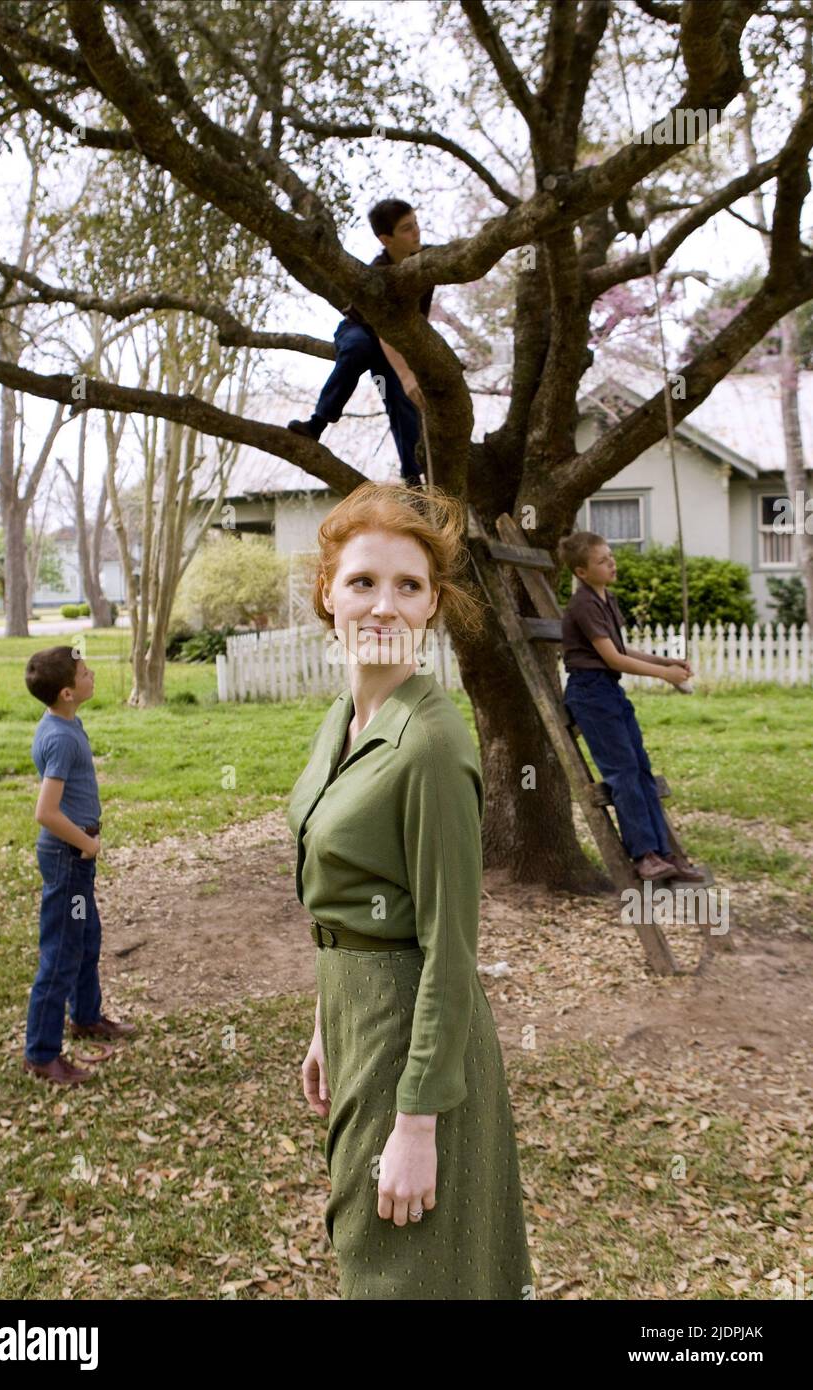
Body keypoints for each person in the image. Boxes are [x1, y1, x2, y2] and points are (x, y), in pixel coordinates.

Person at [287, 481, 534, 1300]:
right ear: (329, 593)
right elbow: (350, 903)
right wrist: (328, 1024)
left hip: (412, 1040)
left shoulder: (428, 744)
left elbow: (450, 948)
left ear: (433, 606)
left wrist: (419, 1123)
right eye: (363, 582)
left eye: (409, 586)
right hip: (357, 1020)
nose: (383, 605)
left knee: (402, 1272)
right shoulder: (345, 721)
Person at [559, 532, 707, 884]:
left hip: (609, 691)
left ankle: (665, 853)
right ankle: (644, 856)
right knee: (623, 773)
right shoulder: (582, 604)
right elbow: (612, 658)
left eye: (611, 556)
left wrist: (663, 660)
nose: (612, 564)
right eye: (602, 561)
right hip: (590, 693)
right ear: (581, 571)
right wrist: (665, 676)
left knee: (641, 770)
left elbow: (623, 650)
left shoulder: (606, 598)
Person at [23, 646, 136, 1086]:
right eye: (86, 673)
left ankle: (86, 1016)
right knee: (62, 952)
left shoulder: (66, 721)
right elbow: (46, 812)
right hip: (69, 858)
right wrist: (87, 843)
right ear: (68, 692)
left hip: (75, 857)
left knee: (86, 937)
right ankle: (41, 1054)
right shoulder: (61, 738)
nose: (93, 675)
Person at [287, 199, 431, 488]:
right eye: (406, 229)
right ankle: (318, 422)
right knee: (360, 349)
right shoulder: (379, 274)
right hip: (360, 330)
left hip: (394, 341)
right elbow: (383, 328)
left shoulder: (427, 261)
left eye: (415, 223)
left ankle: (413, 477)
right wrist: (405, 373)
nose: (416, 232)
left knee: (401, 399)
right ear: (385, 239)